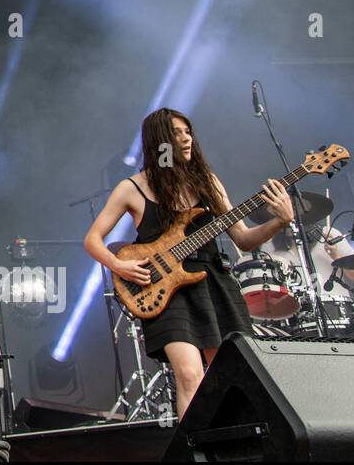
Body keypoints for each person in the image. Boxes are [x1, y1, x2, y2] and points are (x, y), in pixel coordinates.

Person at [83, 108, 293, 418]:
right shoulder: (133, 188)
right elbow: (92, 240)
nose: (186, 138)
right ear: (159, 142)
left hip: (212, 280)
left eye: (188, 132)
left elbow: (244, 239)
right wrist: (119, 265)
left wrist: (280, 220)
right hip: (166, 290)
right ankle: (192, 445)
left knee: (230, 377)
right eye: (177, 133)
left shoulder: (208, 182)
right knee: (190, 375)